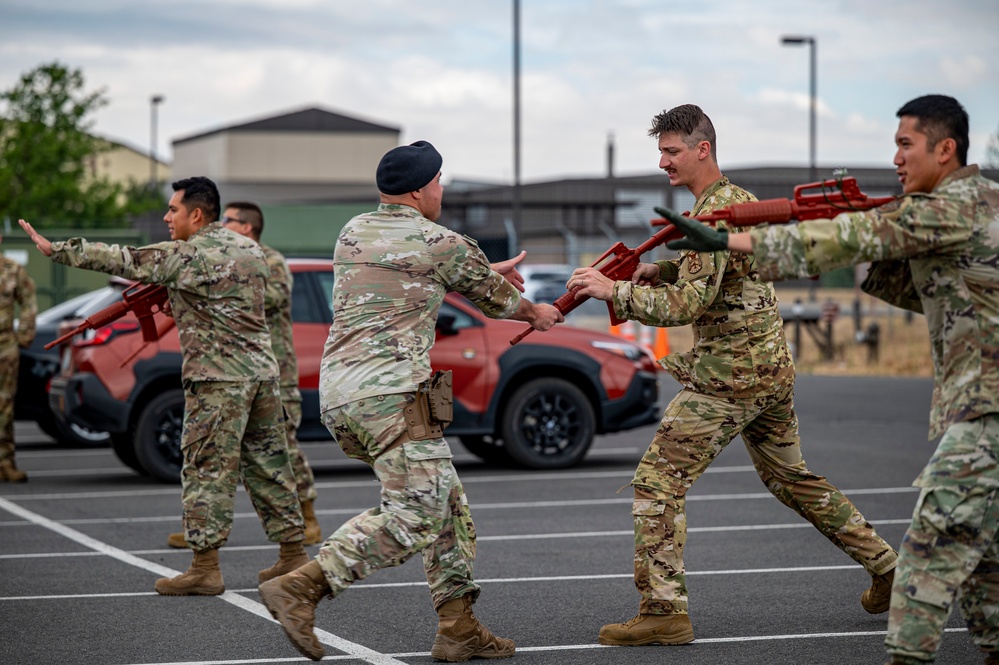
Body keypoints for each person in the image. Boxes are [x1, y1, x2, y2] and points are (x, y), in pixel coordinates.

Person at [662, 95, 999, 665]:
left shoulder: (946, 209)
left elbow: (848, 240)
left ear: (946, 150)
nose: (894, 157)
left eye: (905, 145)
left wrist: (732, 239)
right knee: (982, 565)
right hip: (977, 403)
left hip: (986, 410)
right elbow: (917, 285)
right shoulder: (976, 203)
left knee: (928, 554)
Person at [566, 104, 898, 648]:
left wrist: (614, 292)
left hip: (729, 381)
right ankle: (886, 568)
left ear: (703, 149)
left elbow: (688, 304)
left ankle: (663, 612)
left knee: (658, 481)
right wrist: (658, 269)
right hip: (767, 370)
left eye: (672, 152)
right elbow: (715, 274)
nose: (662, 162)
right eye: (661, 152)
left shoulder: (717, 213)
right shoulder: (733, 201)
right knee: (792, 479)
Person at [256, 140, 563, 662]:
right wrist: (539, 313)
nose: (442, 190)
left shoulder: (354, 230)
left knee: (448, 507)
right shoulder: (440, 241)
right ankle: (304, 586)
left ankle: (459, 627)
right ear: (421, 190)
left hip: (343, 396)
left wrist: (482, 269)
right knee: (416, 514)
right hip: (392, 395)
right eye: (439, 182)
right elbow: (499, 299)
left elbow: (424, 269)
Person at [19, 176, 309, 595]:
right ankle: (293, 554)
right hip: (262, 376)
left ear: (196, 214)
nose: (165, 217)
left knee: (205, 469)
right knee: (269, 465)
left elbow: (125, 259)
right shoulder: (249, 250)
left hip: (218, 380)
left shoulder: (190, 256)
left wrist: (57, 249)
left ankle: (205, 568)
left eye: (172, 210)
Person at [164, 201, 323, 548]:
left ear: (247, 227)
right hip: (233, 370)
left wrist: (219, 285)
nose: (220, 224)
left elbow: (274, 297)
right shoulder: (218, 257)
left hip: (274, 372)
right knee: (214, 454)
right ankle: (201, 528)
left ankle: (308, 517)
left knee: (283, 449)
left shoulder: (270, 260)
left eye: (229, 220)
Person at [0, 236, 36, 482]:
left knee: (5, 406)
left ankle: (5, 462)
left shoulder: (12, 270)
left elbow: (28, 301)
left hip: (4, 347)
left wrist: (24, 334)